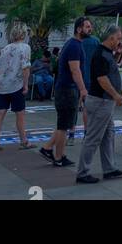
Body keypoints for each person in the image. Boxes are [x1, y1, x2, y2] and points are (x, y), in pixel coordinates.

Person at [76, 24, 122, 183]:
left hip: (105, 102)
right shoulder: (100, 54)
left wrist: (118, 55)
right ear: (110, 37)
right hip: (101, 101)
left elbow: (110, 71)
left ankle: (109, 168)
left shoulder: (107, 53)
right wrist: (116, 95)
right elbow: (102, 79)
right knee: (93, 138)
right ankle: (82, 172)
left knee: (108, 135)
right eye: (118, 38)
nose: (119, 42)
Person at [40, 17, 89, 166]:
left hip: (66, 88)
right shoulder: (74, 46)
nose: (89, 29)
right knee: (63, 127)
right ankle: (59, 157)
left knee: (64, 123)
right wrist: (83, 89)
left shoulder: (73, 44)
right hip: (67, 89)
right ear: (79, 29)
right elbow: (75, 70)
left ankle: (48, 148)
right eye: (87, 27)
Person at [0, 23, 33, 152]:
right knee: (20, 114)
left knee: (0, 113)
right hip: (16, 85)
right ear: (23, 34)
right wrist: (26, 85)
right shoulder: (25, 47)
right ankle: (23, 141)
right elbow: (25, 68)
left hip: (3, 85)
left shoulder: (5, 48)